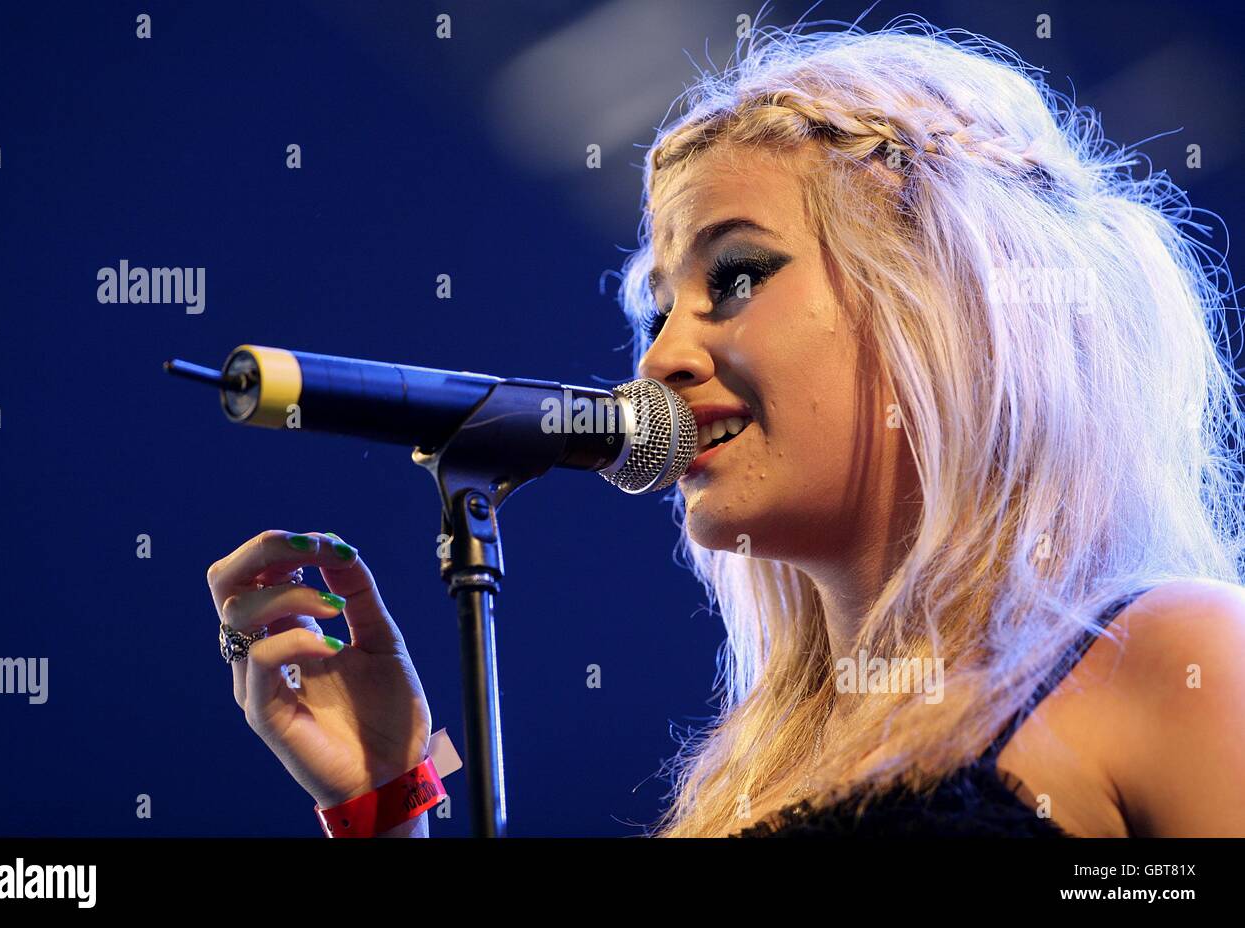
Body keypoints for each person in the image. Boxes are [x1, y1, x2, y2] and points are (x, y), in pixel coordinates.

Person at [205, 21, 1245, 837]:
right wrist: (389, 802)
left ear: (948, 302)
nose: (658, 359)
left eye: (735, 275)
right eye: (658, 306)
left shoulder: (1169, 661)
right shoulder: (739, 783)